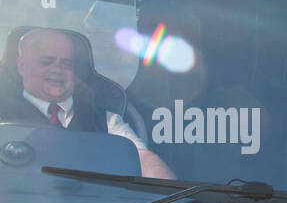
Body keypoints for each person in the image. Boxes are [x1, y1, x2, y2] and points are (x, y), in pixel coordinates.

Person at [2, 28, 174, 179]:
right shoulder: (4, 114)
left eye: (66, 63)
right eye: (46, 61)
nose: (57, 69)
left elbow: (142, 159)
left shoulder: (107, 121)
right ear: (22, 66)